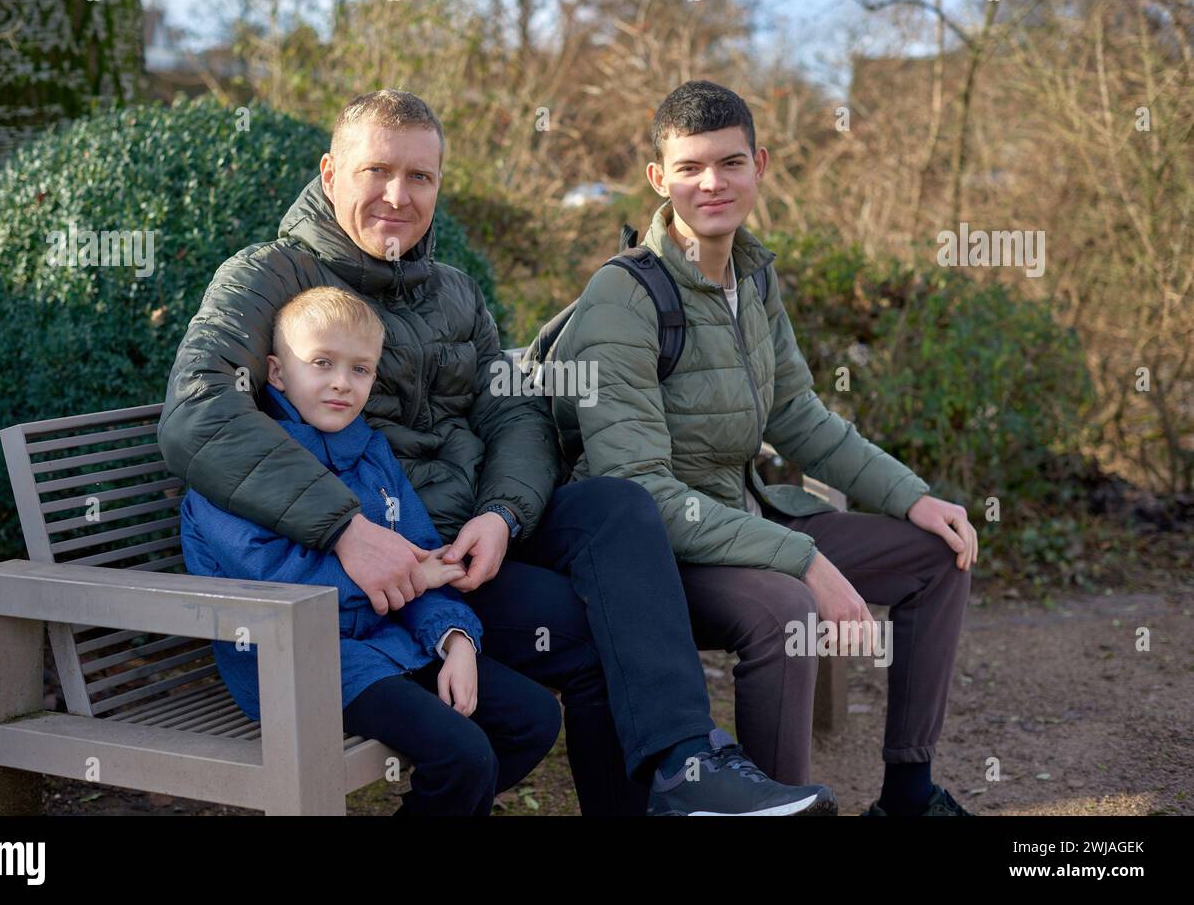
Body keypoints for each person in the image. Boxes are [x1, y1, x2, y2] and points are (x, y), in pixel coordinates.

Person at [159, 88, 836, 816]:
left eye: (421, 177)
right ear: (330, 174)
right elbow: (198, 414)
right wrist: (345, 528)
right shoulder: (268, 277)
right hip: (380, 569)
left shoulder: (454, 291)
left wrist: (503, 515)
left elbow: (516, 411)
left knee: (616, 506)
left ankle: (682, 764)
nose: (398, 195)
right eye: (376, 171)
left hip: (469, 541)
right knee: (588, 631)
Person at [545, 80, 978, 816]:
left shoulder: (755, 273)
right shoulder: (623, 298)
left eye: (730, 162)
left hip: (750, 513)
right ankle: (770, 810)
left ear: (760, 165)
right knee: (786, 609)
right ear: (659, 179)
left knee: (937, 554)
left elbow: (799, 418)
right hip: (661, 551)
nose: (711, 183)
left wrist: (914, 495)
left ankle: (908, 794)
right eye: (689, 168)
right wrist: (806, 559)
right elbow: (638, 490)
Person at [180, 286, 560, 815]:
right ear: (278, 371)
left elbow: (425, 556)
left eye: (360, 369)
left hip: (392, 642)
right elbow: (278, 586)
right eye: (322, 363)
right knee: (463, 754)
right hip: (299, 661)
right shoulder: (234, 470)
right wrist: (410, 577)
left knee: (532, 718)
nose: (342, 382)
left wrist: (455, 640)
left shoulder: (373, 453)